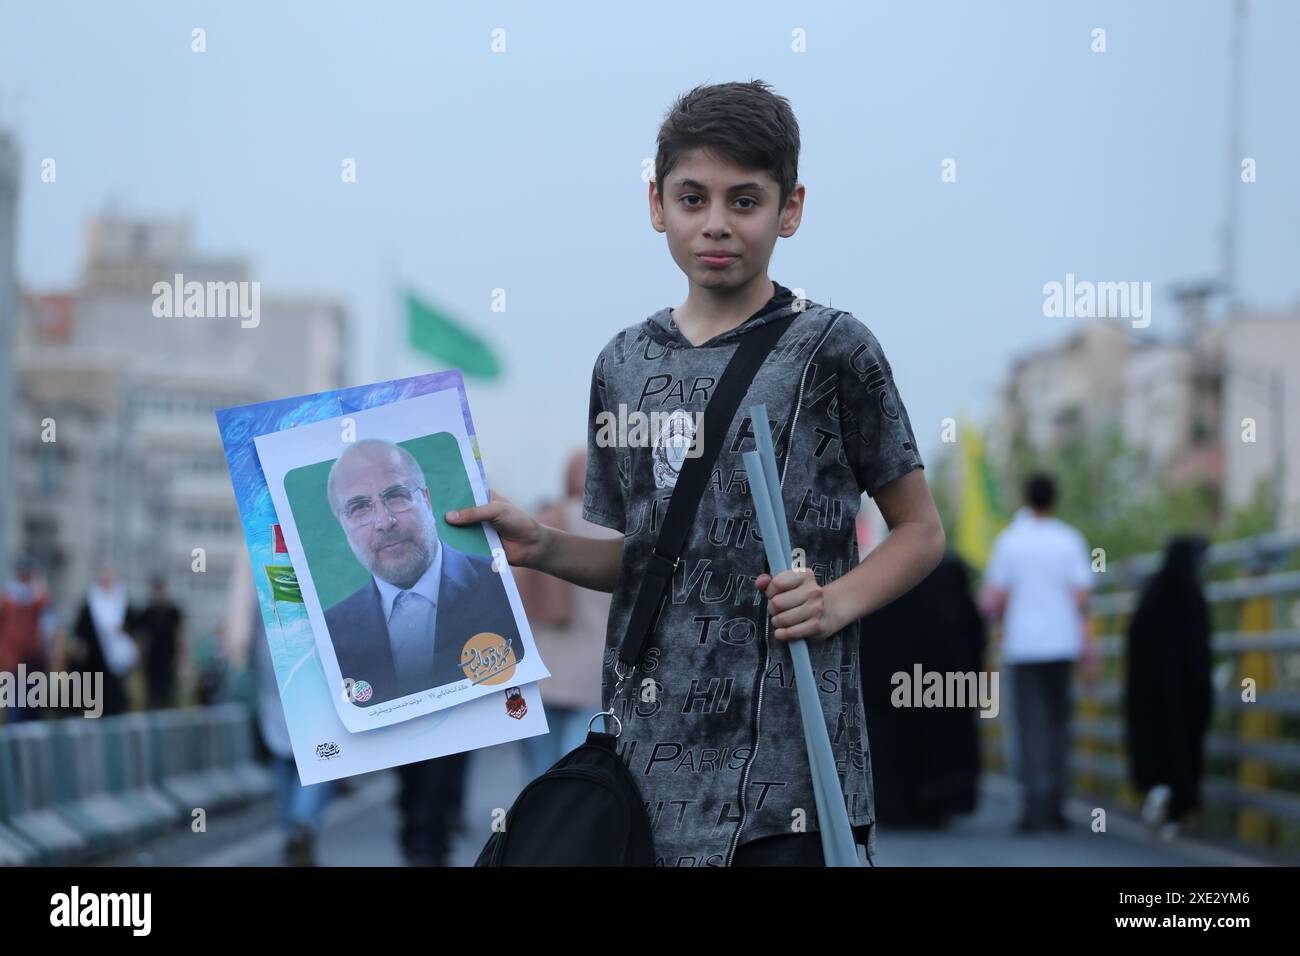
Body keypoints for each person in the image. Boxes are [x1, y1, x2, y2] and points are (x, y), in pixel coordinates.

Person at [447, 80, 946, 867]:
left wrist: (833, 602)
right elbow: (647, 563)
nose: (716, 224)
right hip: (645, 774)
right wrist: (541, 544)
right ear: (657, 204)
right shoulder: (621, 363)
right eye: (692, 198)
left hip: (795, 774)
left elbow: (921, 531)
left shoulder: (836, 349)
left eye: (744, 201)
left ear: (791, 208)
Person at [322, 438, 522, 705]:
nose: (384, 521)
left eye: (395, 496)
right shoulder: (329, 633)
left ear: (426, 500)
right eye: (359, 508)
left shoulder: (503, 588)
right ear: (343, 526)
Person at [981, 473, 1097, 833]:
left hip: (1023, 647)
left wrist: (995, 623)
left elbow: (994, 599)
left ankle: (1032, 807)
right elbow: (1082, 600)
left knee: (1027, 728)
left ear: (1025, 498)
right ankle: (1057, 804)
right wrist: (1090, 652)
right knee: (1059, 726)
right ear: (1055, 499)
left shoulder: (1010, 541)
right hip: (1062, 647)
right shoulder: (1070, 539)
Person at [513, 450, 620, 779]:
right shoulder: (617, 529)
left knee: (539, 772)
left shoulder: (545, 520)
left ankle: (535, 826)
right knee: (576, 772)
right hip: (594, 672)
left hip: (543, 668)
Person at [859, 553, 986, 826]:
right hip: (944, 677)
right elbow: (973, 630)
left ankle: (894, 804)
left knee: (891, 739)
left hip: (888, 675)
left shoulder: (879, 569)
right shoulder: (951, 574)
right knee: (943, 737)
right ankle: (939, 799)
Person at [1124, 535, 1212, 837]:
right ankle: (1178, 809)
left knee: (1153, 747)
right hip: (1186, 697)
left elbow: (1134, 646)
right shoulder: (1192, 595)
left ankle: (1156, 793)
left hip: (1149, 698)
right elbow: (1200, 652)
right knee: (1183, 748)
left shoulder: (1150, 596)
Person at [251, 595, 335, 865]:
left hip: (276, 681)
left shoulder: (260, 570)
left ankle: (294, 829)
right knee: (321, 760)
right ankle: (302, 822)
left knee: (285, 759)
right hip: (311, 680)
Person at [70, 562, 139, 717]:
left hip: (115, 664)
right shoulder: (90, 603)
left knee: (114, 703)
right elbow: (80, 632)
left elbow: (133, 628)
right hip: (93, 663)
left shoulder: (122, 601)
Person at [0, 554, 53, 723]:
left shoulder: (34, 597)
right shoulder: (10, 600)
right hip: (14, 661)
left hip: (32, 660)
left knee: (31, 708)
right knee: (15, 707)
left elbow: (45, 605)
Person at [135, 575, 184, 709]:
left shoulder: (173, 612)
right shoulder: (147, 612)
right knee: (152, 697)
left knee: (169, 696)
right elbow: (141, 636)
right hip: (152, 662)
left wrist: (180, 658)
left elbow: (180, 636)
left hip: (169, 661)